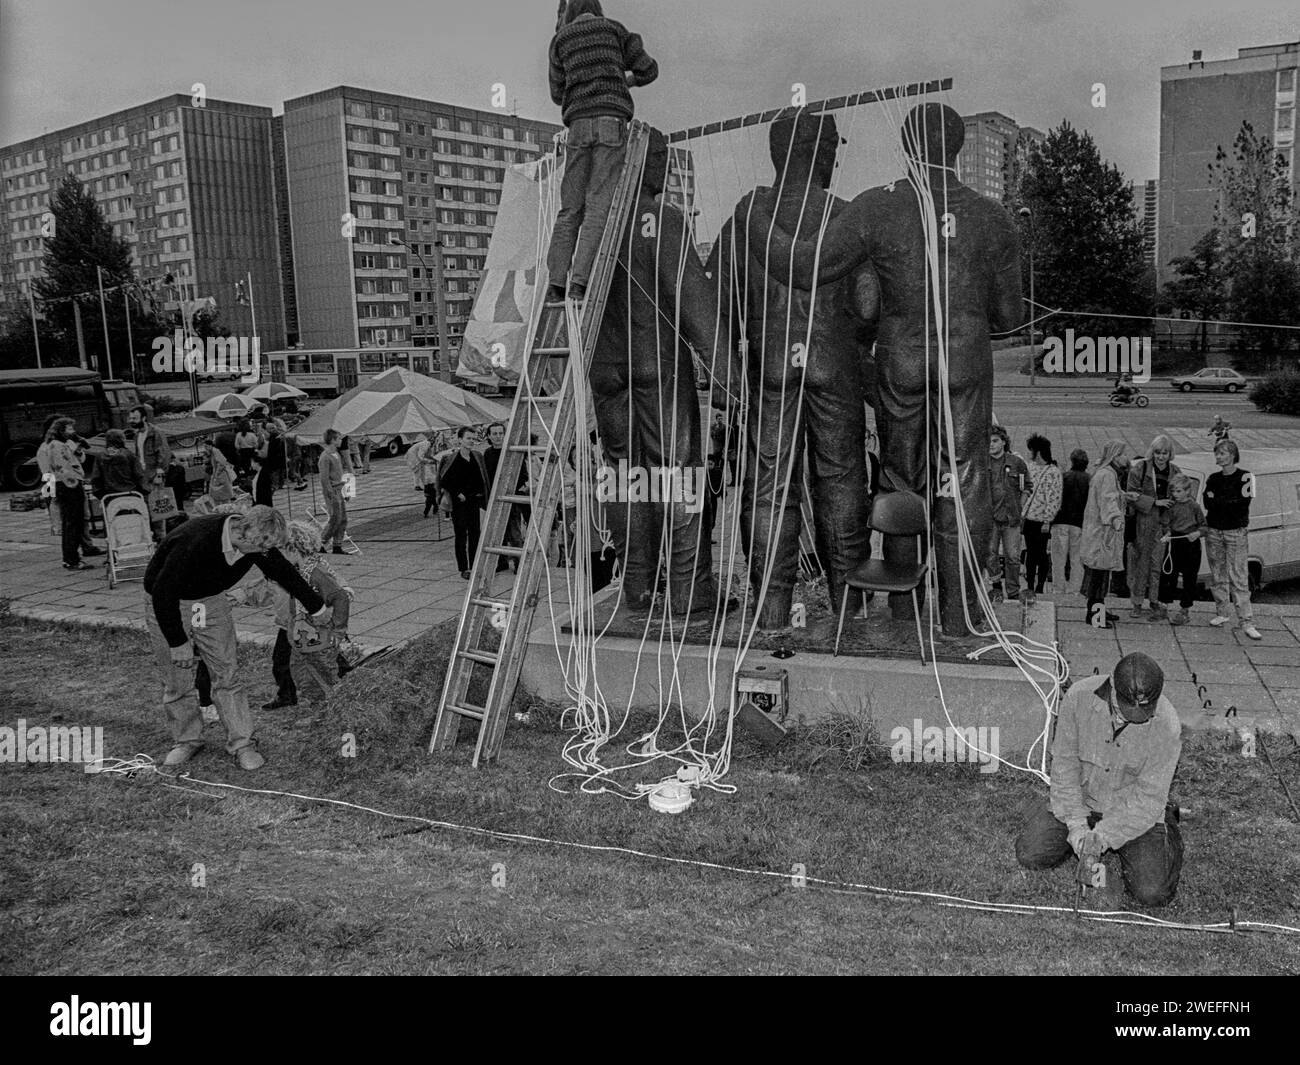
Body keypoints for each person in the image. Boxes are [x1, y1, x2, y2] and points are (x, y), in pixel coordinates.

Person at [742, 102, 1023, 635]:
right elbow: (1010, 316)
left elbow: (804, 266)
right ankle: (960, 620)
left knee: (901, 480)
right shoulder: (993, 218)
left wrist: (759, 223)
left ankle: (903, 609)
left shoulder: (878, 208)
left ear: (908, 148)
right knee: (965, 480)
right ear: (958, 149)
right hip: (964, 359)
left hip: (902, 360)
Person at [705, 112, 875, 630]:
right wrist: (850, 342)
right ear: (819, 152)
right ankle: (849, 603)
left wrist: (735, 371)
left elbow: (715, 305)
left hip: (771, 364)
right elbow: (869, 305)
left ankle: (771, 607)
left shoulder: (745, 218)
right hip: (834, 363)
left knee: (767, 488)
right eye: (832, 149)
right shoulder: (847, 218)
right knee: (842, 482)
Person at [143, 505, 330, 770]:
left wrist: (317, 607)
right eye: (264, 547)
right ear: (243, 533)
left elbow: (282, 571)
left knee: (226, 672)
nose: (266, 553)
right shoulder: (194, 541)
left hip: (209, 600)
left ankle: (242, 744)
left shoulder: (256, 541)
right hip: (169, 602)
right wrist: (178, 643)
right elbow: (163, 591)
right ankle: (187, 740)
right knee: (177, 676)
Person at [1015, 652, 1183, 907]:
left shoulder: (1167, 725)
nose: (1130, 718)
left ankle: (1168, 827)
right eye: (1125, 711)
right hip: (1083, 802)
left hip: (1133, 811)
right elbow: (1065, 768)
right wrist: (1077, 828)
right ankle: (1056, 819)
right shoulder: (1078, 698)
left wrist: (1103, 838)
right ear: (1113, 687)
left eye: (1143, 714)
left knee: (1152, 892)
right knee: (1031, 853)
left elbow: (1148, 797)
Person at [545, 0, 658, 305]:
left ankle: (555, 284)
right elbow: (649, 70)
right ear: (597, 7)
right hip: (611, 121)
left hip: (578, 127)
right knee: (598, 205)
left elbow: (557, 95)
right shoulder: (617, 31)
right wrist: (624, 80)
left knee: (570, 208)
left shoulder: (561, 40)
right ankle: (579, 283)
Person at [1203, 438, 1260, 640]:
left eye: (1223, 453)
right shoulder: (1212, 478)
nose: (1219, 457)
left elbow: (1241, 504)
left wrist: (1219, 501)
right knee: (1218, 573)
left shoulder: (1246, 477)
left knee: (1238, 576)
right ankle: (1222, 612)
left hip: (1235, 531)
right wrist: (1223, 502)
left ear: (1233, 455)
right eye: (1217, 453)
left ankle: (1246, 621)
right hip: (1214, 531)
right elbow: (1207, 502)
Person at [1127, 435, 1180, 622]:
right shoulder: (1140, 468)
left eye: (1164, 453)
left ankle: (1154, 600)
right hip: (1144, 521)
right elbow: (1131, 495)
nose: (1161, 457)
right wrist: (1155, 502)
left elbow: (1180, 496)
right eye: (1158, 452)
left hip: (1163, 523)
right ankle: (1137, 602)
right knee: (1141, 564)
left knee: (1157, 565)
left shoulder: (1175, 471)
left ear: (1169, 453)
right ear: (1152, 452)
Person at [1079, 440, 1131, 628]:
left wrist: (1124, 496)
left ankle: (1099, 611)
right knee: (1098, 578)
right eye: (1123, 454)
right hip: (1102, 535)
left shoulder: (1106, 473)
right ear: (1116, 456)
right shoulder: (1108, 476)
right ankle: (1095, 617)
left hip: (1099, 534)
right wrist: (1116, 520)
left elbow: (1109, 497)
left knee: (1099, 576)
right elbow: (1108, 502)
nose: (1126, 458)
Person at [437, 426, 489, 578]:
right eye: (468, 438)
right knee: (461, 534)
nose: (471, 441)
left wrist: (481, 494)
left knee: (475, 534)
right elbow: (444, 479)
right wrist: (458, 493)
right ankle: (463, 568)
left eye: (473, 439)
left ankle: (474, 565)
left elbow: (482, 478)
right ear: (460, 440)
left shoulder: (477, 456)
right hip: (459, 504)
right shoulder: (450, 458)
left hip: (474, 501)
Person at [1158, 473, 1208, 626]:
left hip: (1190, 544)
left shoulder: (1194, 506)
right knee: (1168, 574)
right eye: (1173, 491)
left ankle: (1185, 610)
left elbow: (1204, 526)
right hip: (1174, 543)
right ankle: (1163, 606)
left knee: (1189, 577)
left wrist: (1198, 533)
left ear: (1188, 490)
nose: (1175, 495)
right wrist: (1166, 533)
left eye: (1179, 491)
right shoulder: (1171, 506)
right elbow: (1165, 523)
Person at [47, 418, 95, 570]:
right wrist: (75, 483)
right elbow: (64, 467)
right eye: (69, 429)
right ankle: (71, 559)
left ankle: (72, 558)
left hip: (72, 484)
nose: (73, 432)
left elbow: (80, 459)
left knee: (75, 522)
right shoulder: (55, 446)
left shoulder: (65, 444)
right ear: (61, 431)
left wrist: (79, 448)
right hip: (68, 486)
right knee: (72, 523)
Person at [988, 426, 1030, 602]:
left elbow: (1027, 486)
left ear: (1004, 442)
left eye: (995, 441)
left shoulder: (1016, 463)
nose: (991, 445)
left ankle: (1013, 590)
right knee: (990, 553)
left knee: (1013, 556)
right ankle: (996, 585)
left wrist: (1020, 508)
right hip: (990, 519)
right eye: (988, 442)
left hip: (1011, 518)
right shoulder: (982, 463)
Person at [1020, 434, 1061, 606]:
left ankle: (1040, 585)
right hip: (1028, 518)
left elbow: (1054, 498)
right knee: (1030, 552)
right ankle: (1030, 584)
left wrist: (1047, 520)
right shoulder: (1030, 467)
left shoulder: (1053, 472)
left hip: (1041, 520)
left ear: (1037, 452)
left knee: (1041, 554)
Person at [1051, 448, 1090, 597]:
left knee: (1058, 560)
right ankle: (1075, 590)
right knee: (1077, 560)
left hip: (1060, 521)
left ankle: (1058, 589)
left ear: (1071, 461)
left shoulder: (1063, 476)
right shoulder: (1089, 479)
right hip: (1079, 524)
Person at [319, 429, 356, 555]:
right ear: (333, 440)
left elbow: (340, 474)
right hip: (332, 491)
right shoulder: (325, 457)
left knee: (343, 518)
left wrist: (346, 491)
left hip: (339, 489)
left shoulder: (336, 454)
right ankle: (321, 542)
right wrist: (330, 492)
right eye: (339, 439)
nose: (341, 441)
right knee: (335, 518)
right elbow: (324, 478)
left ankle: (337, 545)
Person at [90, 429, 147, 499]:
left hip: (109, 495)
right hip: (131, 493)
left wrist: (100, 494)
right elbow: (139, 475)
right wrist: (144, 490)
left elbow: (96, 478)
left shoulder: (100, 456)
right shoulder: (129, 454)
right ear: (122, 440)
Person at [408, 430, 443, 517]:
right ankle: (417, 485)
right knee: (417, 471)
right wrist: (430, 461)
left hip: (417, 458)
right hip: (413, 457)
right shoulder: (426, 444)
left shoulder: (429, 444)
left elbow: (428, 455)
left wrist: (433, 459)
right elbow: (421, 456)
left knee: (420, 471)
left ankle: (420, 485)